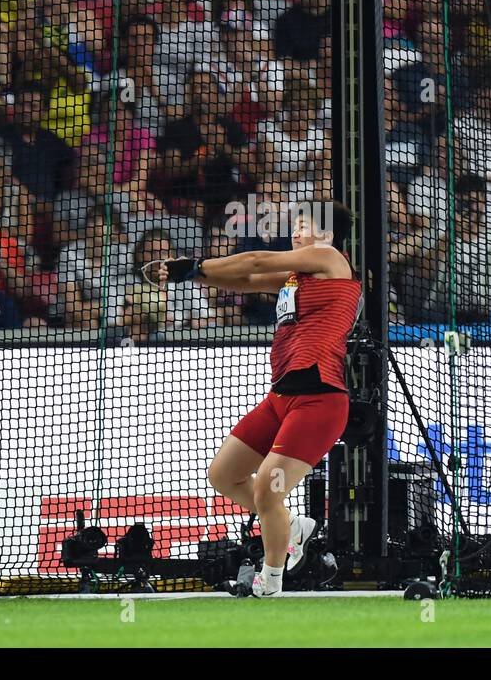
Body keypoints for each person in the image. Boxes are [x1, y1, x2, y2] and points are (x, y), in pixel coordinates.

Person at [144, 201, 361, 596]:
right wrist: (186, 277)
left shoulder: (330, 259)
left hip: (319, 399)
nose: (296, 233)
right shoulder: (296, 280)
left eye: (304, 226)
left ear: (327, 235)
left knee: (267, 491)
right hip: (281, 397)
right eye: (294, 226)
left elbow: (257, 260)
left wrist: (194, 265)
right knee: (223, 475)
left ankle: (272, 580)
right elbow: (245, 279)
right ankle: (291, 526)